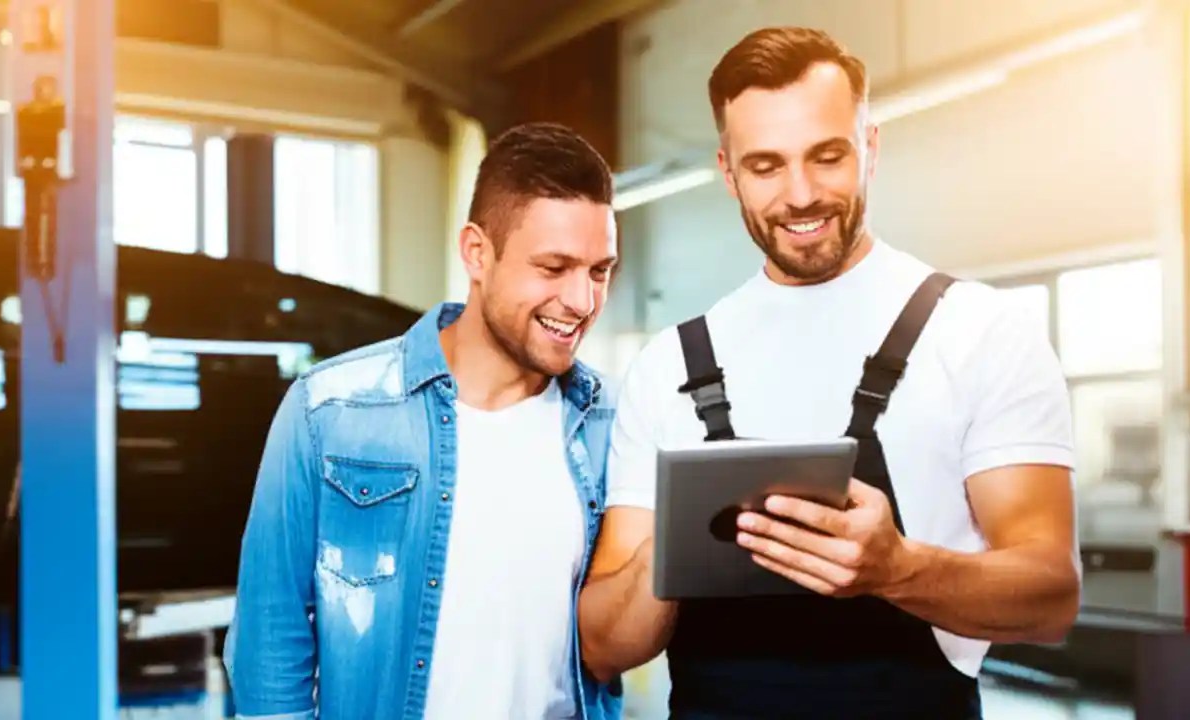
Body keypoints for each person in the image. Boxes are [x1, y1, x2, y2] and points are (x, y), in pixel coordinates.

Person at [578, 26, 1081, 719]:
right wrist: (680, 547)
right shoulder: (669, 364)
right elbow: (604, 647)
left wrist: (898, 568)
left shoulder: (980, 333)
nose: (802, 194)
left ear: (870, 148)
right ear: (727, 172)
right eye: (765, 166)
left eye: (827, 156)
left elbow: (1051, 597)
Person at [224, 121, 624, 720]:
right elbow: (269, 642)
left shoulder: (611, 425)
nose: (582, 302)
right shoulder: (330, 412)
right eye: (553, 268)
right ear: (477, 252)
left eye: (599, 271)